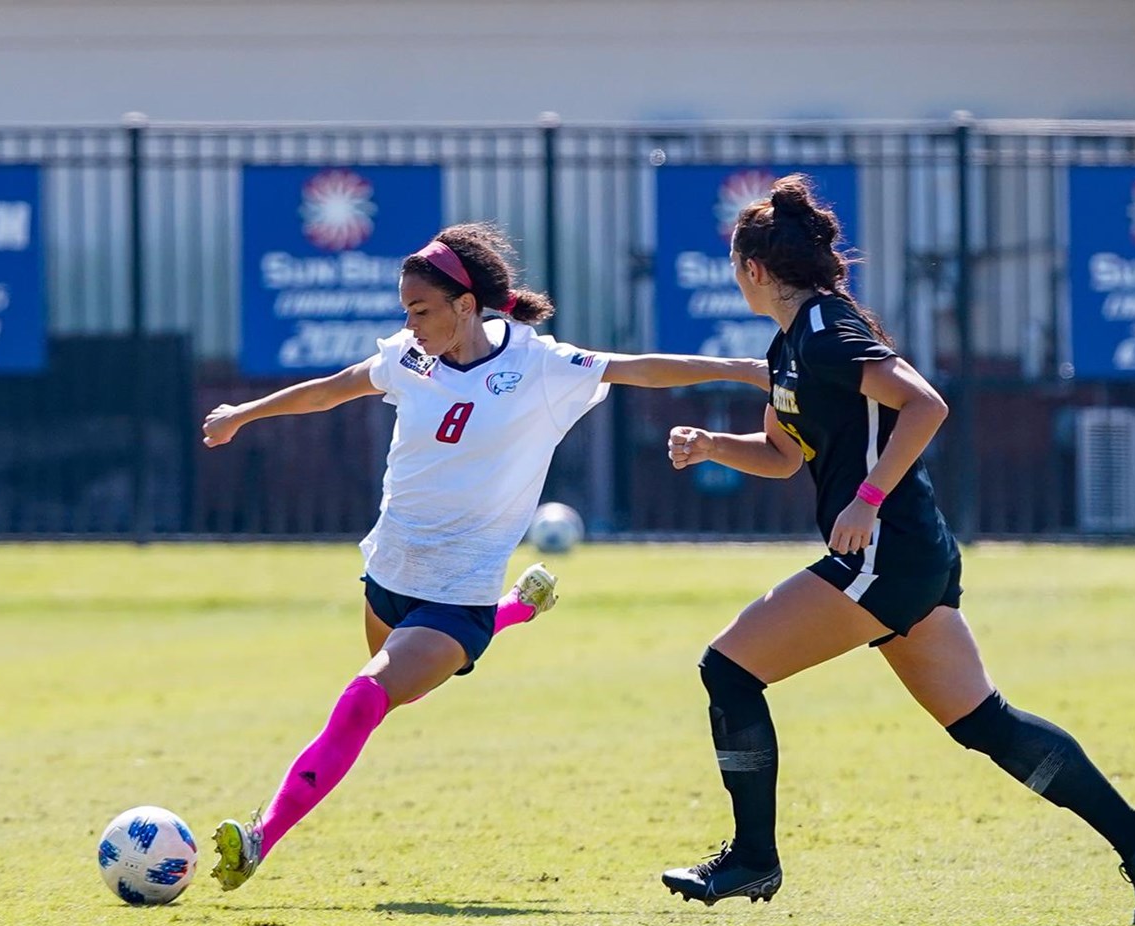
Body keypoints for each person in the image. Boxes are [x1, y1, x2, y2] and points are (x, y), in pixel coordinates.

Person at [658, 175, 1135, 926]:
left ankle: (752, 858)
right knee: (985, 724)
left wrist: (866, 501)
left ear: (754, 270)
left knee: (728, 669)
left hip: (887, 552)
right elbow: (780, 454)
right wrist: (712, 445)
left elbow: (926, 403)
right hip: (909, 555)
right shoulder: (789, 346)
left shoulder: (830, 331)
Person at [200, 222, 769, 891]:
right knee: (388, 695)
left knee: (364, 698)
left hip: (456, 596)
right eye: (406, 311)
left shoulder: (539, 366)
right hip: (388, 574)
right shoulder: (408, 358)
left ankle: (263, 835)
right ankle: (515, 612)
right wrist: (243, 412)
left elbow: (638, 368)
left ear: (465, 306)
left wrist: (741, 368)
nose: (410, 325)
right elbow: (334, 386)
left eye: (421, 311)